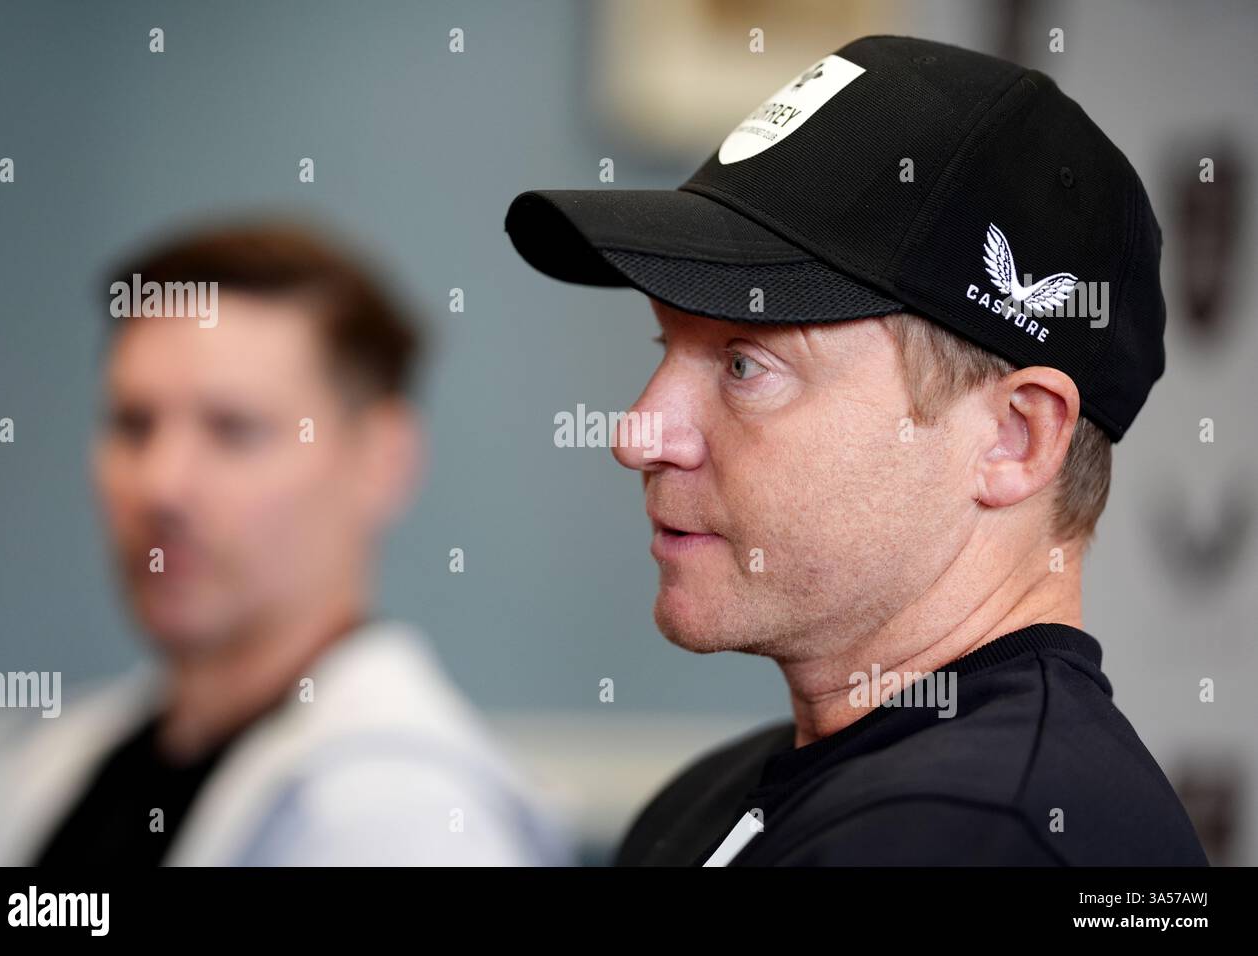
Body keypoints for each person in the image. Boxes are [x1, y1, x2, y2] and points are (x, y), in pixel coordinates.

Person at [503, 35, 1207, 865]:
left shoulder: (971, 834)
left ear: (1015, 438)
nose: (637, 433)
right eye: (666, 347)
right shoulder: (721, 801)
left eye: (744, 365)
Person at [0, 222, 569, 866]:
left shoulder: (406, 820)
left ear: (383, 459)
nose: (162, 487)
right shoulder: (55, 768)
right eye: (133, 426)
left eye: (235, 430)